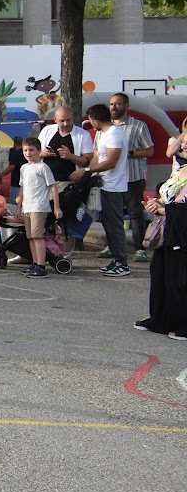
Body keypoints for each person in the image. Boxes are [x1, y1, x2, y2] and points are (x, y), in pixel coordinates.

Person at [138, 161, 187, 339]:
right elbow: (169, 199)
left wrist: (165, 210)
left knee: (180, 280)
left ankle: (183, 325)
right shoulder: (182, 169)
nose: (183, 147)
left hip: (183, 232)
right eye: (183, 145)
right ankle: (160, 320)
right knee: (160, 274)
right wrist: (155, 204)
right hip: (170, 229)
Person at [109, 93, 155, 262]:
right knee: (113, 215)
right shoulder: (106, 127)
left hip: (133, 176)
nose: (114, 107)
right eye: (111, 104)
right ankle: (112, 246)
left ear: (126, 106)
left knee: (135, 214)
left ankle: (139, 248)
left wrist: (130, 153)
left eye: (118, 104)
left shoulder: (138, 126)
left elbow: (149, 151)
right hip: (112, 178)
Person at [87, 103, 130, 277]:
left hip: (114, 187)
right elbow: (98, 156)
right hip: (105, 185)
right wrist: (88, 172)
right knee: (108, 225)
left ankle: (122, 263)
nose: (91, 123)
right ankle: (116, 259)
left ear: (95, 120)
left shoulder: (114, 134)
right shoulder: (105, 134)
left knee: (114, 225)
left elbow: (111, 162)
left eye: (90, 120)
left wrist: (88, 170)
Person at [15, 138, 62, 278]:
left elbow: (53, 186)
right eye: (25, 150)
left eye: (31, 150)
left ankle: (41, 265)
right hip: (27, 207)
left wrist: (57, 207)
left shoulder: (43, 167)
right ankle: (35, 263)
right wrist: (19, 208)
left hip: (39, 207)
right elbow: (22, 188)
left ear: (38, 151)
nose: (28, 153)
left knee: (37, 236)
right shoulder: (24, 168)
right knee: (30, 237)